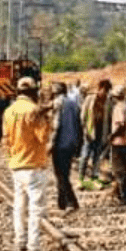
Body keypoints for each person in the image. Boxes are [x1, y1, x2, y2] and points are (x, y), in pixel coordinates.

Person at [3, 76, 54, 251]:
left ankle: (19, 242)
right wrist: (46, 119)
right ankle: (33, 249)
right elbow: (43, 138)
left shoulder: (9, 111)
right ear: (33, 92)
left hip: (16, 166)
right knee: (35, 209)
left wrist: (12, 157)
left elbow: (5, 139)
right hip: (33, 166)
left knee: (19, 206)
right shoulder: (34, 111)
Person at [48, 82, 82, 212]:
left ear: (55, 92)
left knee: (61, 174)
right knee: (65, 172)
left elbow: (56, 126)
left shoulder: (58, 103)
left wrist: (50, 144)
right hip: (72, 142)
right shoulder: (74, 103)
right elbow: (79, 123)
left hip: (61, 143)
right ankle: (61, 201)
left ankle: (70, 202)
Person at [79, 79, 112, 185]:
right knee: (85, 155)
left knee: (97, 156)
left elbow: (109, 118)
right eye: (104, 90)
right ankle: (81, 179)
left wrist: (108, 134)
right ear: (99, 88)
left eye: (107, 91)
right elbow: (83, 116)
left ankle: (94, 177)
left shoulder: (108, 101)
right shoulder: (89, 99)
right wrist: (85, 130)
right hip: (90, 131)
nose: (105, 93)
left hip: (101, 132)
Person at [108, 85, 126, 205]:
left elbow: (120, 124)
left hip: (118, 141)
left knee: (119, 170)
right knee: (125, 169)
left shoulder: (118, 107)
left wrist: (112, 135)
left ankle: (125, 196)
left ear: (115, 96)